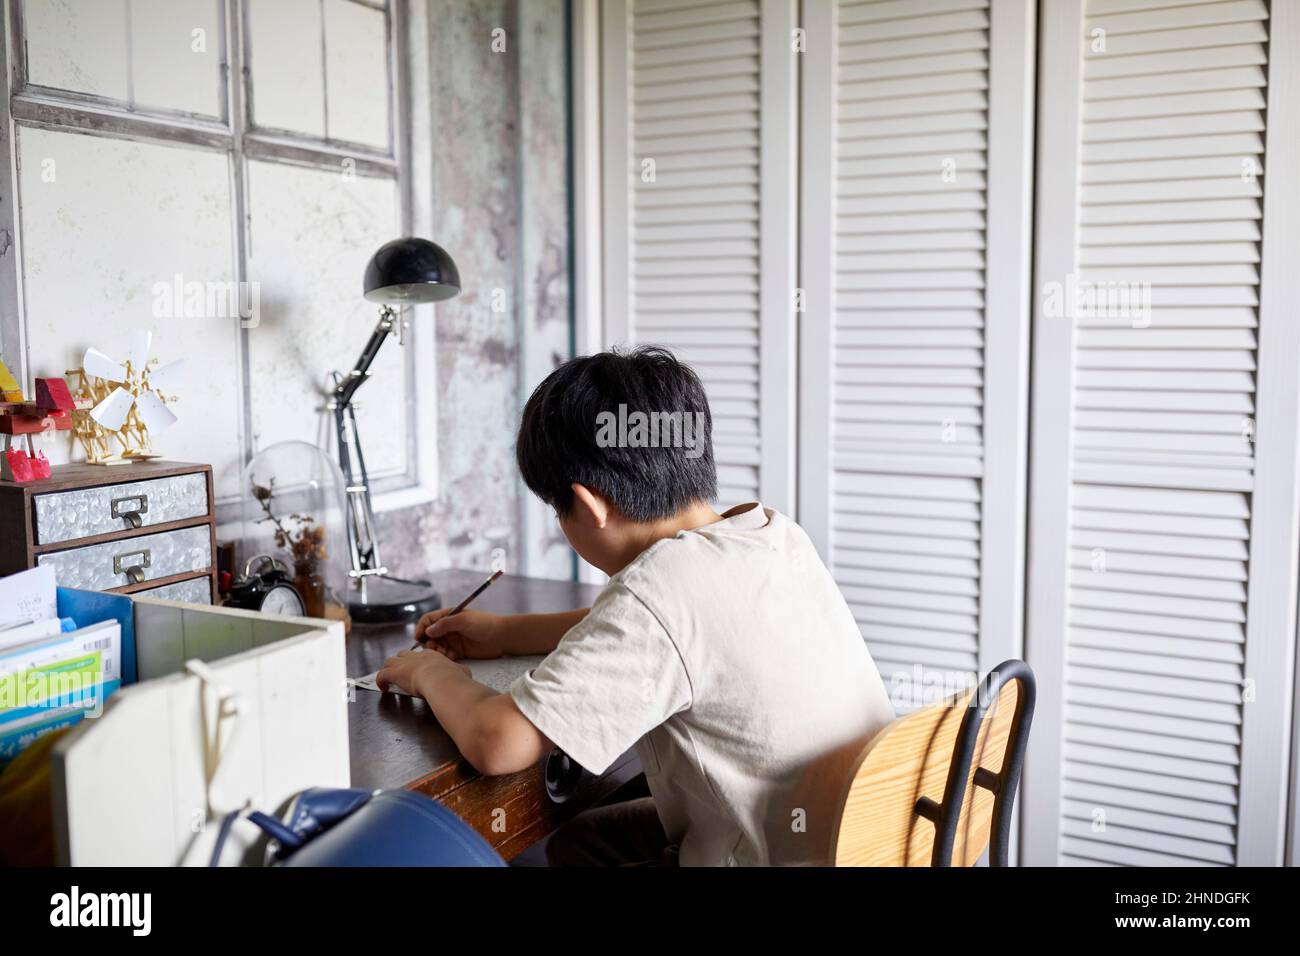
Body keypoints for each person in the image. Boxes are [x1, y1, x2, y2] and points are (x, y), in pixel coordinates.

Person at [376, 347, 895, 865]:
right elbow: (671, 630)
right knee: (583, 841)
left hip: (774, 852)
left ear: (588, 505)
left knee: (575, 845)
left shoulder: (659, 592)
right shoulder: (769, 534)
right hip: (863, 834)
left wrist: (430, 674)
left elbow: (496, 742)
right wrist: (504, 633)